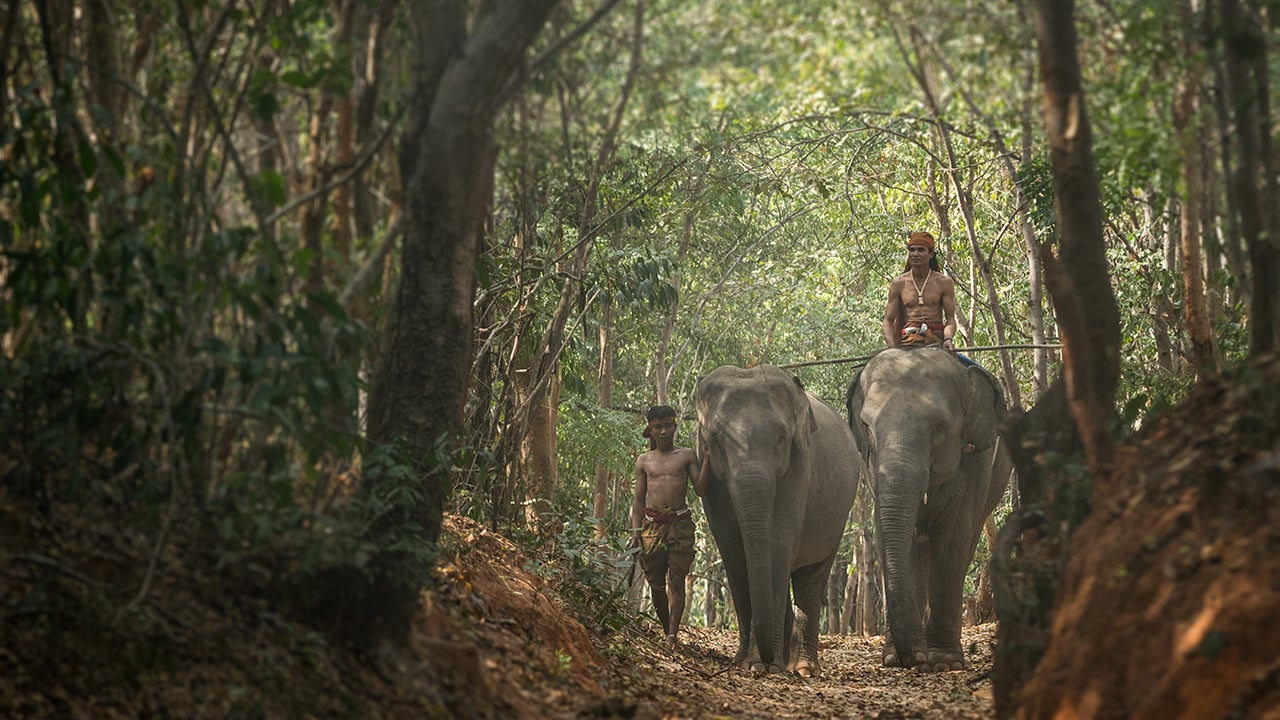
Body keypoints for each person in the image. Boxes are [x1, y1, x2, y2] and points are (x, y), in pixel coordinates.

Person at [631, 405, 705, 649]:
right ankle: (666, 629)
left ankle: (672, 635)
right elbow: (639, 498)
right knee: (656, 585)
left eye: (667, 426)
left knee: (676, 580)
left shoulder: (686, 456)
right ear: (650, 430)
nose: (663, 431)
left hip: (679, 525)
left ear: (675, 427)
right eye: (657, 427)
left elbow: (701, 489)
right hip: (651, 526)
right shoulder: (644, 461)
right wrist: (635, 530)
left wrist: (710, 459)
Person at [883, 230, 960, 355]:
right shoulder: (899, 284)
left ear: (930, 254)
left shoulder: (943, 282)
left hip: (937, 340)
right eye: (912, 250)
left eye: (920, 250)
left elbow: (950, 319)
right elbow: (888, 320)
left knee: (960, 372)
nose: (915, 254)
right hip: (908, 340)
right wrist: (891, 347)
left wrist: (948, 339)